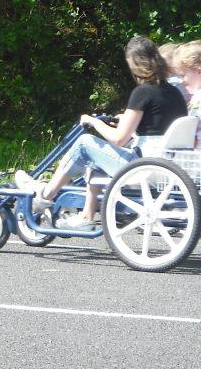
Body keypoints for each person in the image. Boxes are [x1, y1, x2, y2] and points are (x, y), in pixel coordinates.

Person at [19, 35, 188, 230]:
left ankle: (44, 195)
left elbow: (119, 139)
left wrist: (93, 122)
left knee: (84, 144)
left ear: (135, 63)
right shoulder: (174, 93)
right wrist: (121, 120)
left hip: (141, 167)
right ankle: (87, 217)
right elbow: (154, 124)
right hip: (166, 166)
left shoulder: (143, 92)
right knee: (96, 159)